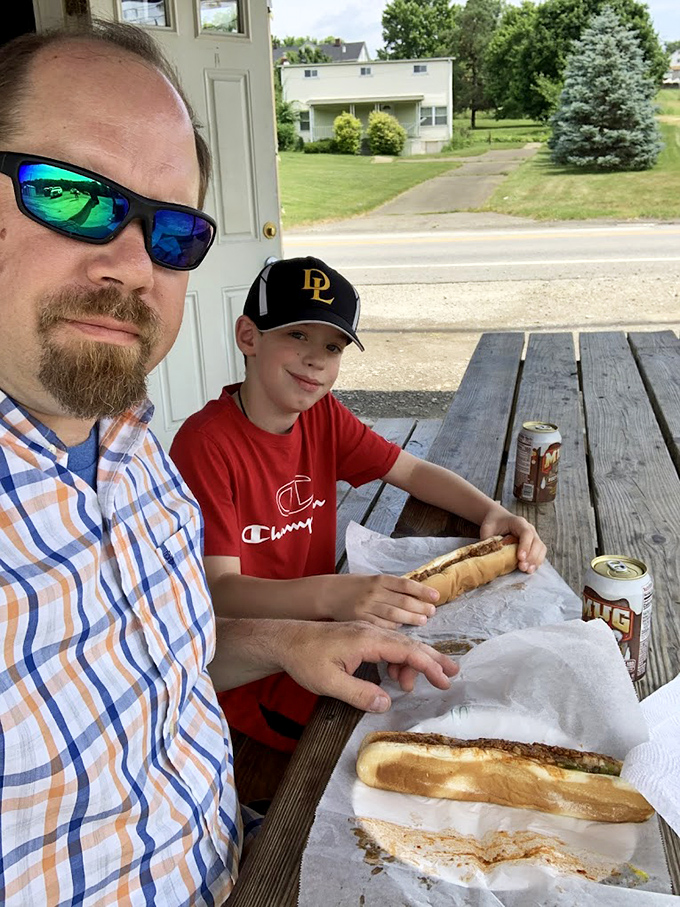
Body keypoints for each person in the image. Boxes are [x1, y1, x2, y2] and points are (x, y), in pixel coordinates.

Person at [0, 20, 459, 906]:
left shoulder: (131, 447)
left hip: (250, 856)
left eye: (173, 232)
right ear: (248, 338)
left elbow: (150, 667)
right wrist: (325, 600)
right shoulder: (199, 444)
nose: (131, 260)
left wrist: (288, 640)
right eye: (69, 193)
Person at [170, 256, 547, 761]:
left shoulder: (322, 415)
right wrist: (335, 596)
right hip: (257, 668)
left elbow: (411, 471)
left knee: (477, 687)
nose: (315, 360)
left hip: (334, 629)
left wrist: (491, 510)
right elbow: (220, 594)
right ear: (249, 336)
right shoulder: (205, 443)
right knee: (410, 739)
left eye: (332, 346)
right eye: (296, 335)